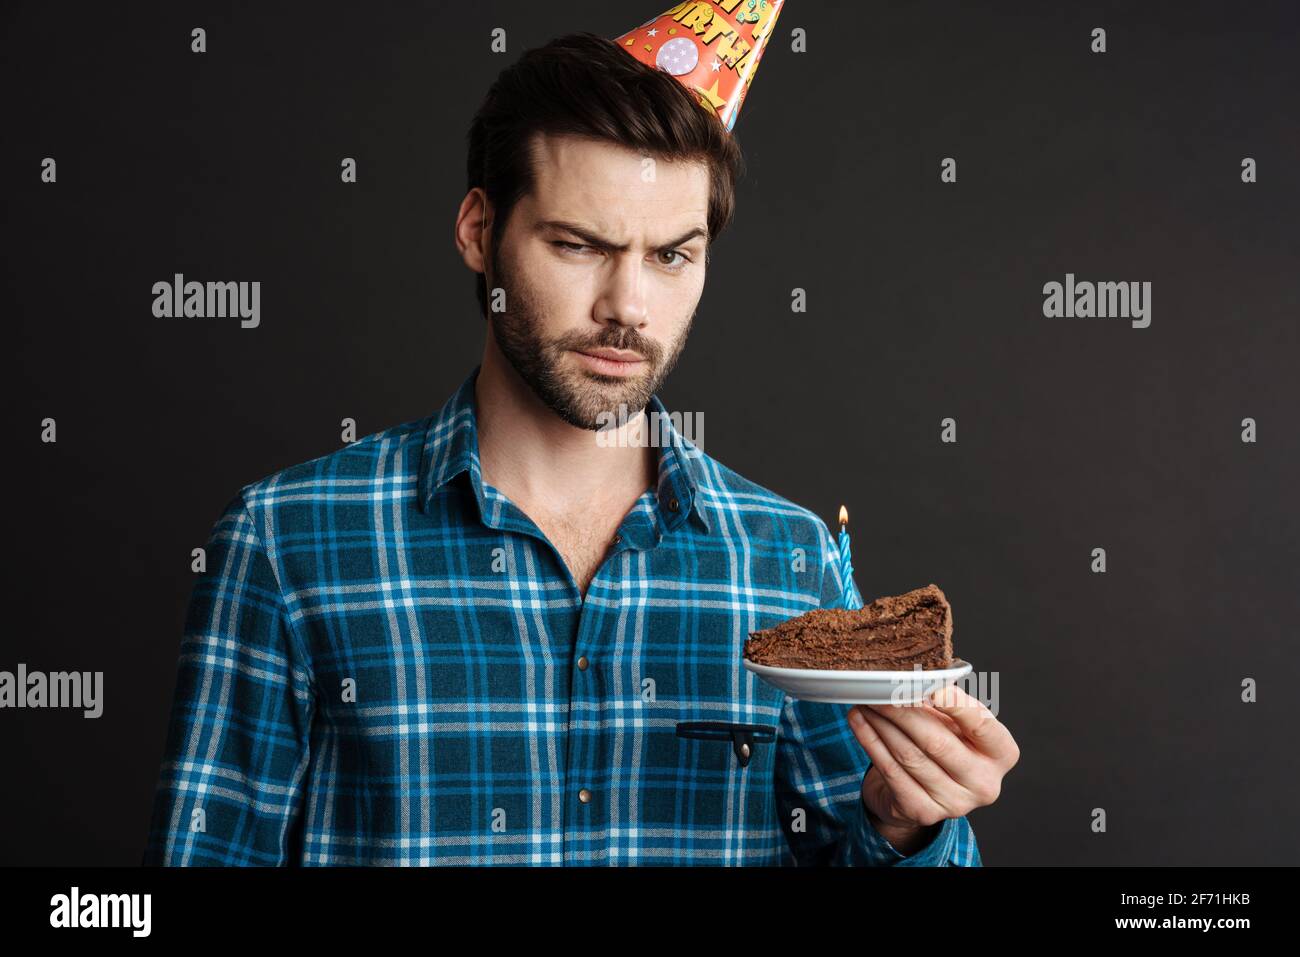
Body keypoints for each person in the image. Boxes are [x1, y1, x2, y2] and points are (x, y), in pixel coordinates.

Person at [143, 28, 1018, 867]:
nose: (628, 305)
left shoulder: (789, 560)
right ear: (479, 231)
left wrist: (907, 825)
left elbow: (862, 849)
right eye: (577, 244)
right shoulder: (287, 542)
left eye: (672, 255)